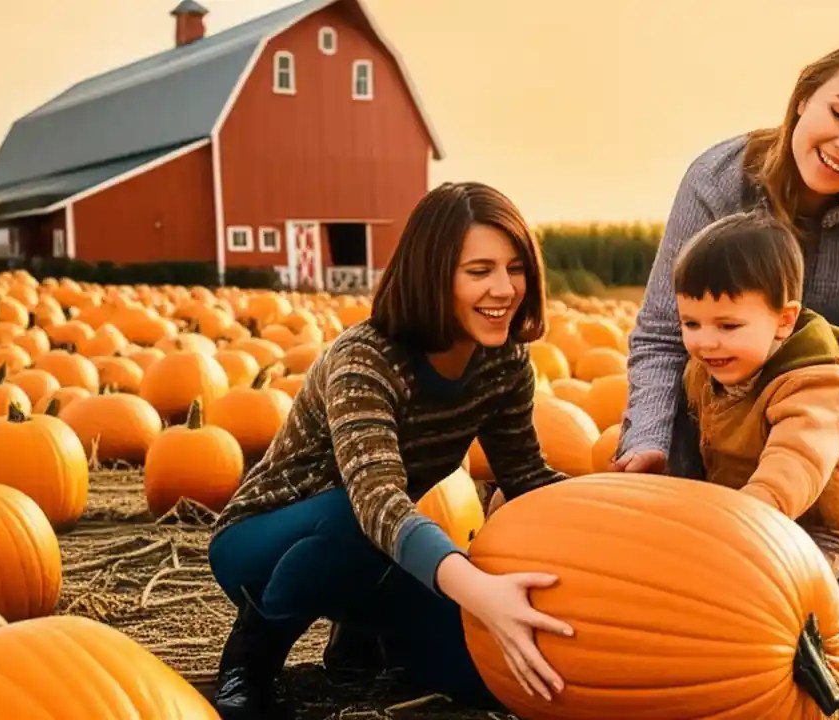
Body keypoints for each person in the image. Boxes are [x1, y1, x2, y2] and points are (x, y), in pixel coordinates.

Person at [206, 181, 575, 720]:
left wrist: (622, 502)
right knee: (347, 516)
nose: (504, 288)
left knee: (479, 677)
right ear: (431, 273)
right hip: (264, 541)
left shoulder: (505, 364)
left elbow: (525, 476)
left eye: (515, 268)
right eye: (480, 271)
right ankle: (252, 653)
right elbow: (376, 500)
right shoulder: (366, 360)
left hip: (378, 548)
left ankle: (361, 628)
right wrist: (476, 587)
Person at [613, 34, 839, 583]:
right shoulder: (719, 181)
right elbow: (661, 333)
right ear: (805, 97)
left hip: (828, 394)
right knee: (677, 425)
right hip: (723, 388)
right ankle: (694, 564)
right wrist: (649, 441)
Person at [672, 209, 839, 719]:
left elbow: (795, 462)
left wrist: (749, 517)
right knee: (747, 630)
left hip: (823, 531)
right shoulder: (707, 369)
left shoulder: (818, 384)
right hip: (749, 527)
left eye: (727, 325)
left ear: (782, 319)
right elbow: (694, 440)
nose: (706, 341)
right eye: (691, 323)